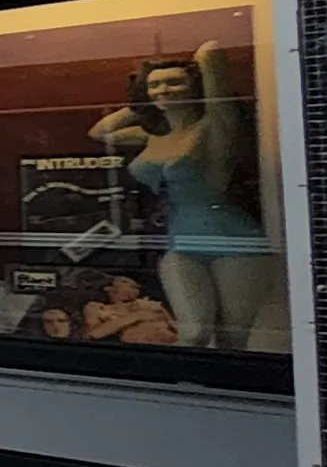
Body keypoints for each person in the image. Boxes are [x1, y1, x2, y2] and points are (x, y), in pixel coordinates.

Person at [88, 42, 276, 349]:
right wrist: (142, 102)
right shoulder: (151, 137)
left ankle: (223, 394)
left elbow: (212, 57)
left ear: (195, 86)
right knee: (193, 333)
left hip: (235, 241)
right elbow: (100, 132)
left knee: (232, 338)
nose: (164, 89)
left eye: (175, 82)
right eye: (155, 84)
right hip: (180, 242)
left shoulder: (213, 127)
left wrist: (199, 58)